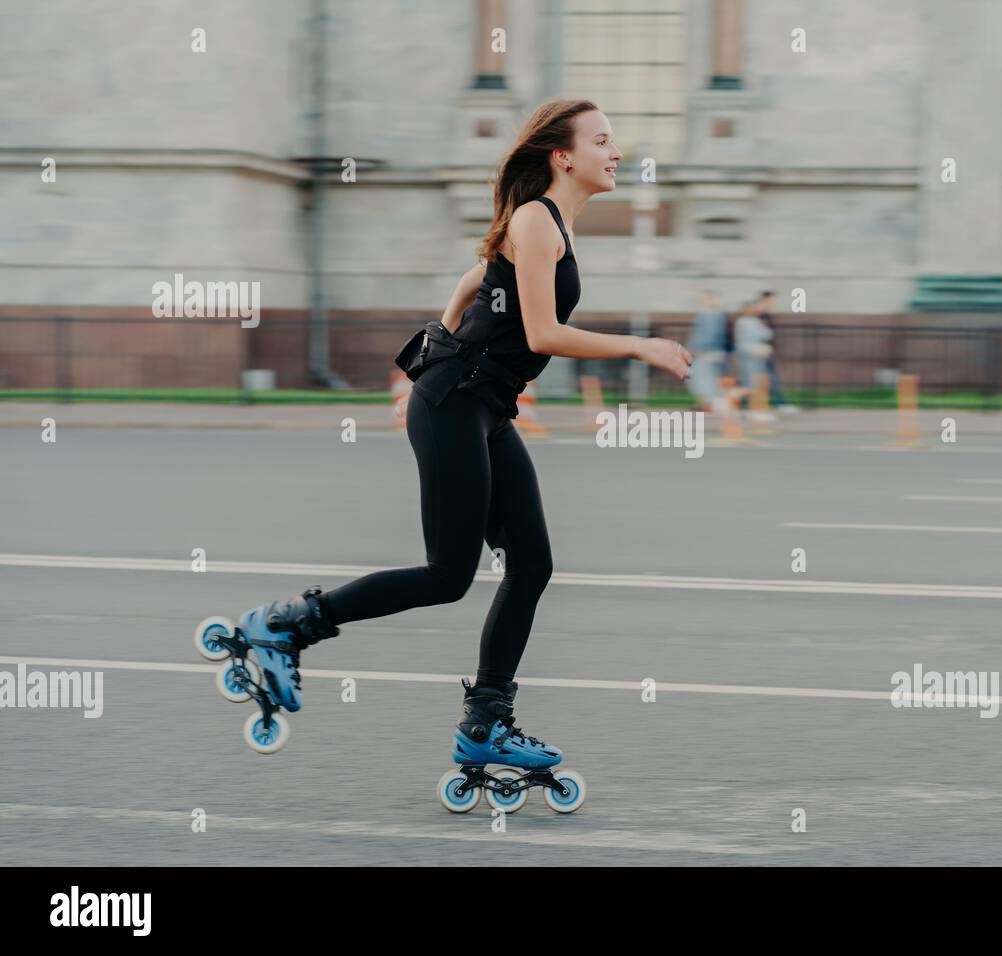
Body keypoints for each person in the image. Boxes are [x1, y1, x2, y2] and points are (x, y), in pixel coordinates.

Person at [231, 99, 692, 791]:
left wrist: (431, 355)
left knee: (531, 565)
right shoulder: (538, 219)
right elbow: (540, 334)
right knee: (448, 575)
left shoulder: (545, 223)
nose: (616, 152)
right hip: (456, 405)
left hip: (478, 405)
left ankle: (486, 726)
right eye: (602, 141)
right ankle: (286, 626)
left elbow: (475, 279)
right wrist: (640, 344)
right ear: (563, 156)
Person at [685, 289, 728, 410]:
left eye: (705, 297)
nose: (701, 300)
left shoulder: (710, 314)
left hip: (706, 353)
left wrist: (699, 349)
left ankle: (712, 405)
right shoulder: (714, 314)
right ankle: (710, 404)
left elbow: (710, 334)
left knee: (702, 379)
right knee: (707, 379)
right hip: (710, 352)